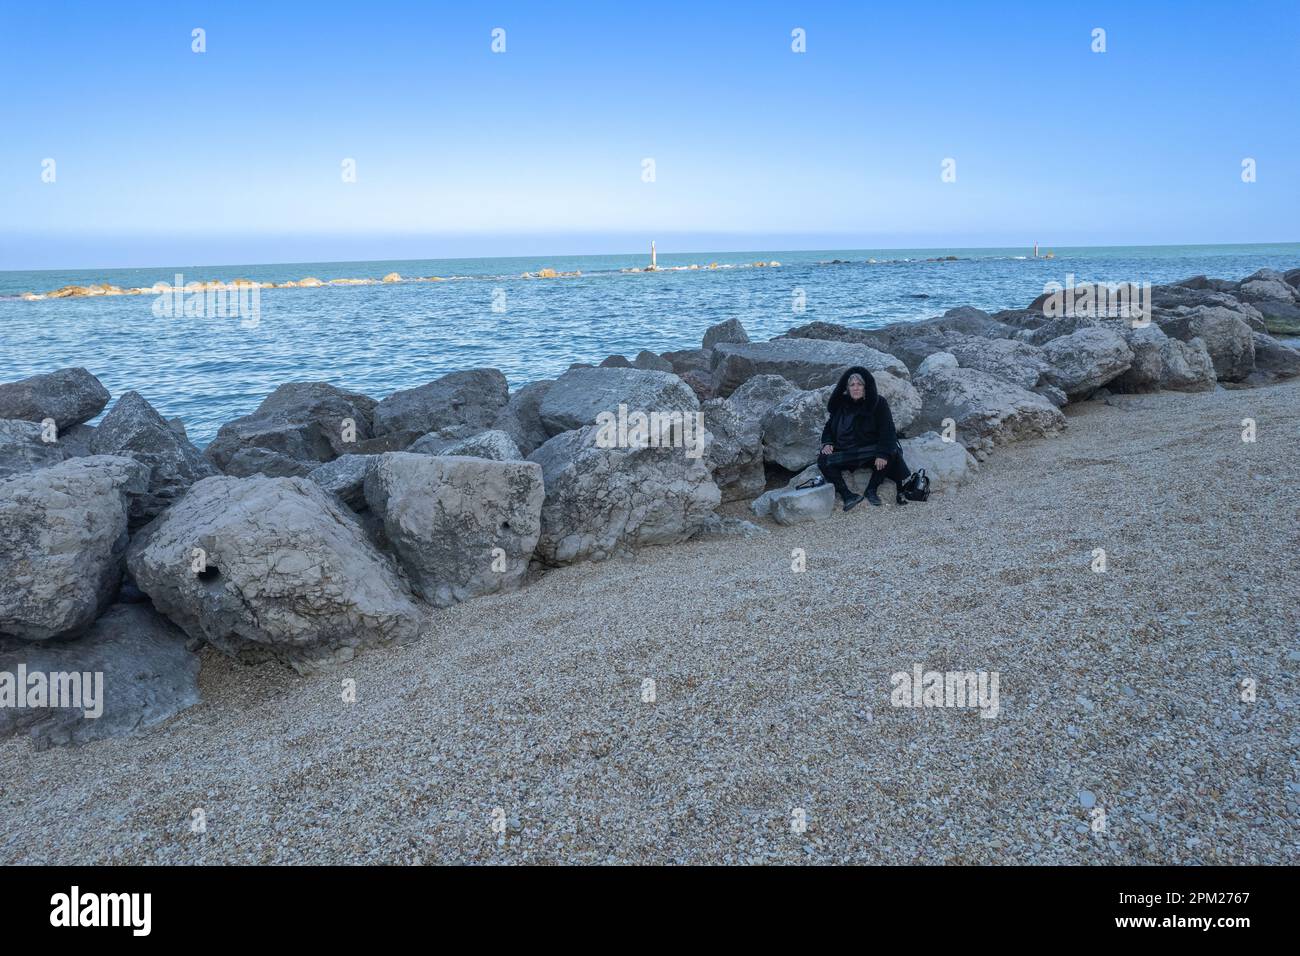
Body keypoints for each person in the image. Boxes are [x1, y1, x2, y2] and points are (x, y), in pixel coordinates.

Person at [817, 365, 912, 511]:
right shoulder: (841, 404)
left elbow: (888, 431)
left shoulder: (878, 403)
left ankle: (871, 489)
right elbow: (829, 427)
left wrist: (882, 454)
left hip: (868, 451)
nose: (856, 388)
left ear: (865, 387)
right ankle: (847, 495)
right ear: (847, 388)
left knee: (891, 451)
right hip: (846, 451)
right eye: (852, 385)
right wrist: (827, 442)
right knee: (823, 459)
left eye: (859, 384)